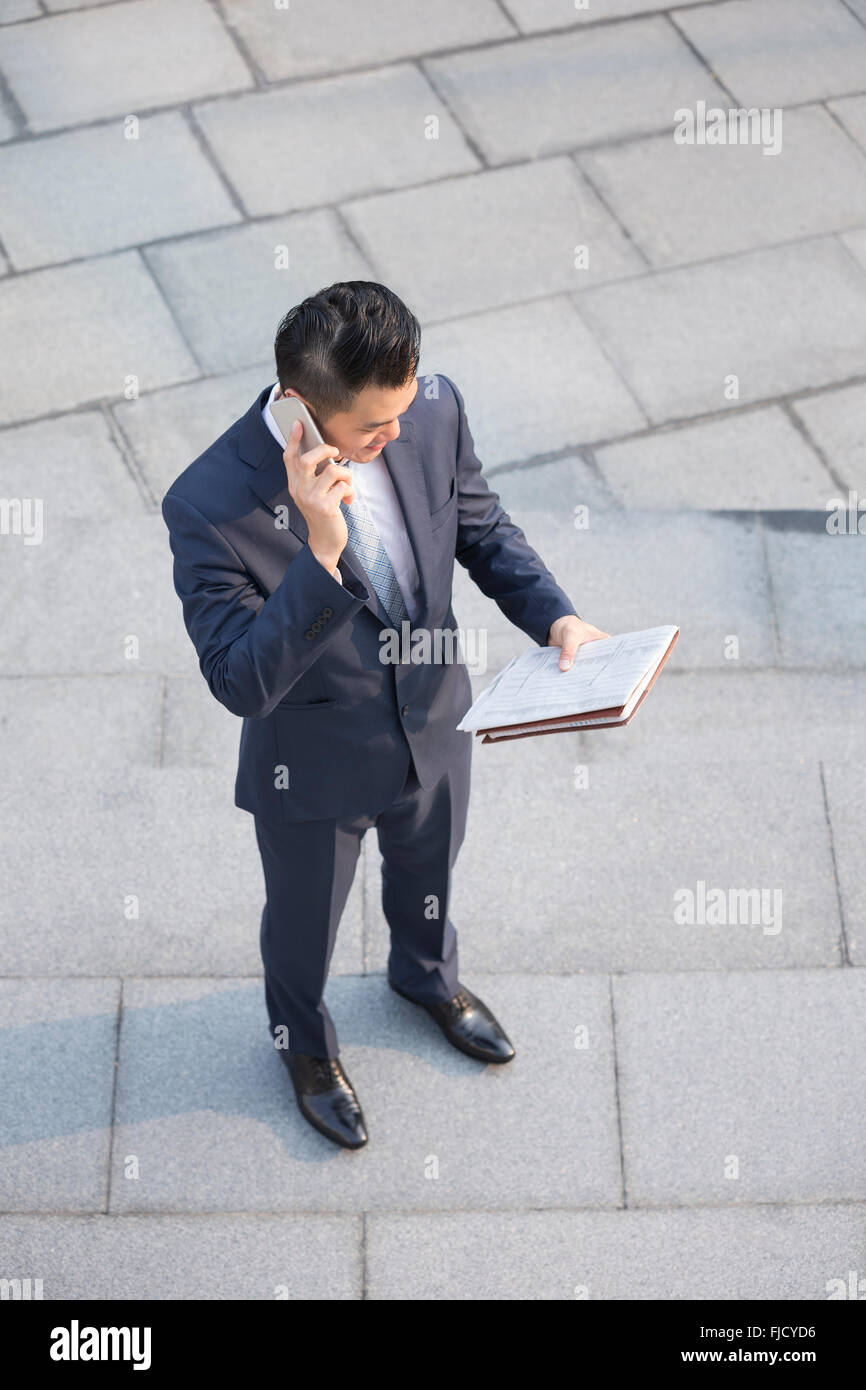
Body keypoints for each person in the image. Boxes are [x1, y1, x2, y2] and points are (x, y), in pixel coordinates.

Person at [161, 281, 606, 1150]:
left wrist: (555, 614)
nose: (395, 436)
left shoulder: (429, 410)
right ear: (298, 406)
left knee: (431, 873)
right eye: (371, 427)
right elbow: (241, 683)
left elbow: (478, 526)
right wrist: (319, 559)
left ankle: (425, 978)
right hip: (312, 764)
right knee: (301, 929)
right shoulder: (208, 505)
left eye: (403, 410)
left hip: (438, 719)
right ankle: (305, 1049)